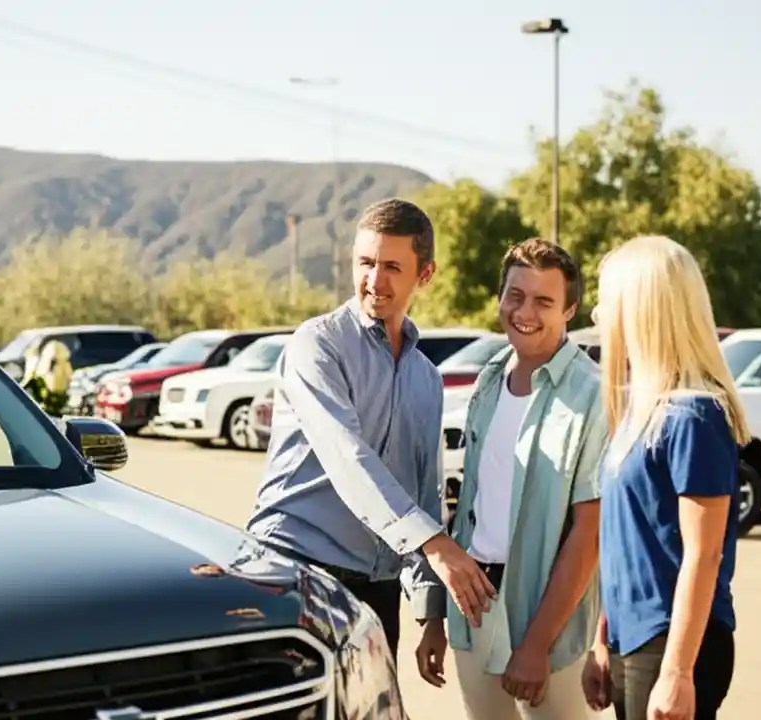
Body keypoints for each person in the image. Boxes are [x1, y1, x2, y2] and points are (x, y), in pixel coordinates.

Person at [245, 197, 494, 660]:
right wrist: (436, 546)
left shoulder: (426, 378)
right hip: (295, 568)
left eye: (392, 267)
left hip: (377, 586)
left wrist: (430, 611)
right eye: (365, 262)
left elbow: (423, 491)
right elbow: (348, 457)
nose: (374, 281)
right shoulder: (317, 345)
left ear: (425, 275)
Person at [414, 238, 609, 720]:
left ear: (571, 310)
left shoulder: (594, 396)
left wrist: (537, 644)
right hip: (473, 605)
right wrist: (437, 614)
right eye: (515, 296)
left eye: (544, 301)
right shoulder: (489, 378)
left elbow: (591, 533)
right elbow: (468, 509)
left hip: (549, 618)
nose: (526, 312)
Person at [580, 235, 746, 720]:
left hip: (677, 645)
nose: (596, 314)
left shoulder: (694, 416)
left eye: (606, 302)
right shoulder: (640, 411)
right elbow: (624, 541)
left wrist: (676, 672)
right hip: (635, 638)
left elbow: (704, 553)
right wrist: (603, 639)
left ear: (644, 309)